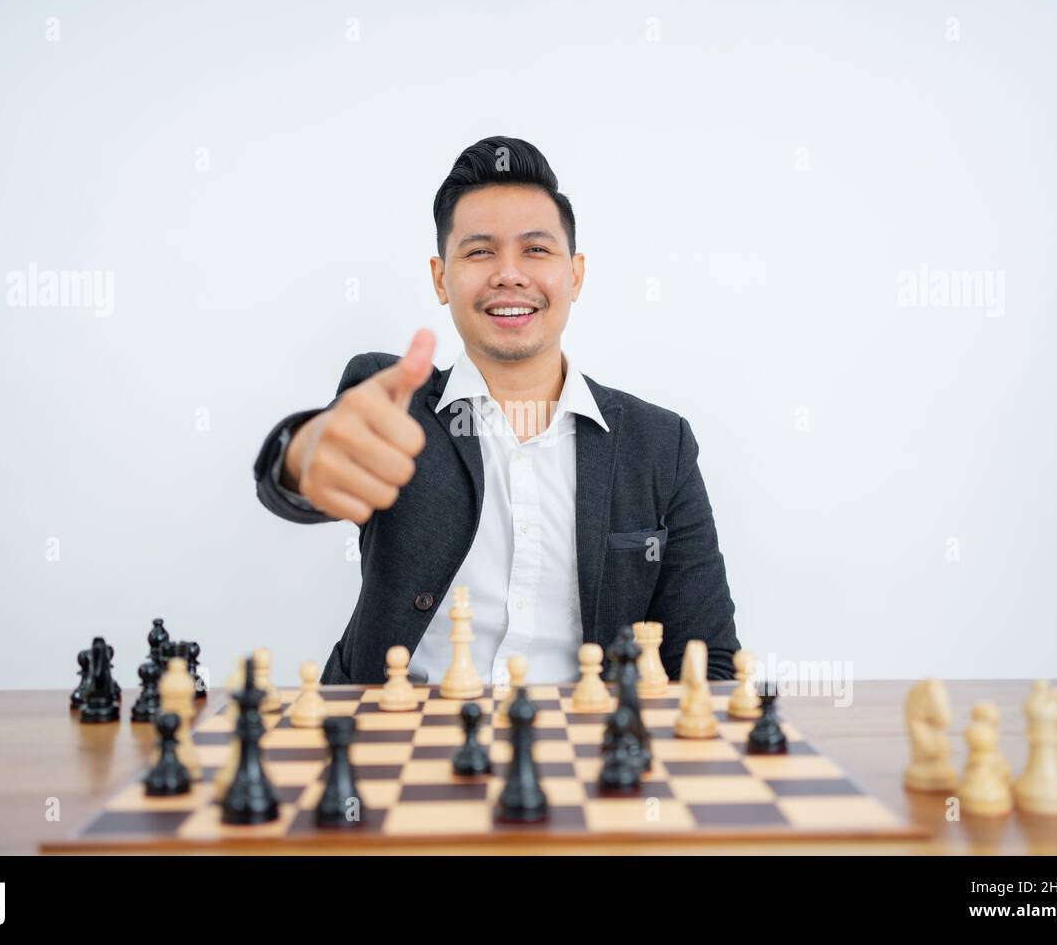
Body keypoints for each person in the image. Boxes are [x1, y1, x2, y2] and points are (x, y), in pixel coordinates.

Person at [253, 136, 739, 686]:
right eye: (479, 251)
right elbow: (296, 480)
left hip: (581, 752)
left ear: (575, 275)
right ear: (441, 278)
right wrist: (299, 456)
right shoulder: (391, 402)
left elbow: (708, 663)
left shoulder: (658, 445)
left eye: (536, 249)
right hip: (396, 740)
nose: (509, 273)